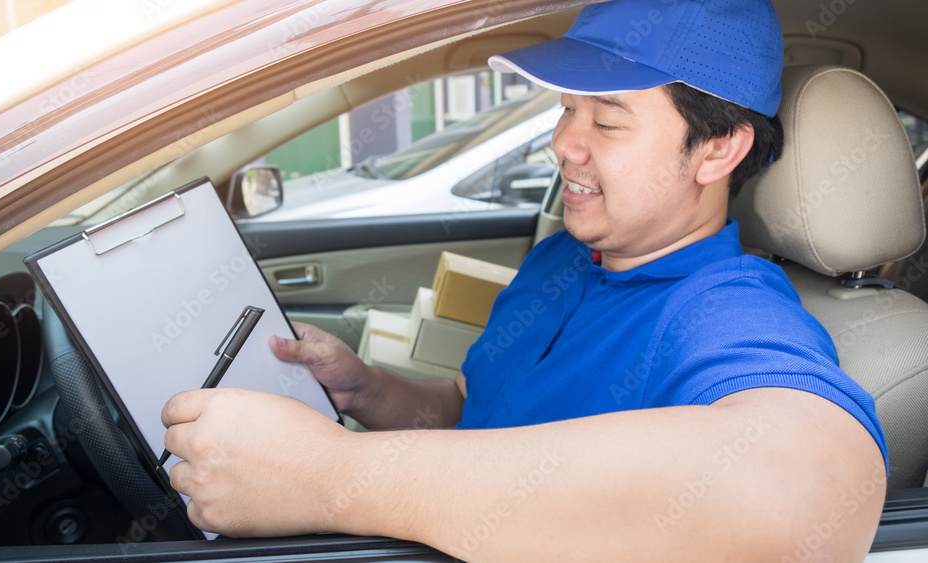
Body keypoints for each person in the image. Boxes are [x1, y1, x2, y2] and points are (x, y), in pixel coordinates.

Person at [161, 0, 888, 561]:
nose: (561, 142)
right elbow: (472, 415)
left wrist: (325, 472)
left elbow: (813, 493)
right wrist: (363, 391)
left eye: (607, 121)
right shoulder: (566, 258)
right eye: (568, 106)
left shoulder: (726, 312)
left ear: (719, 149)